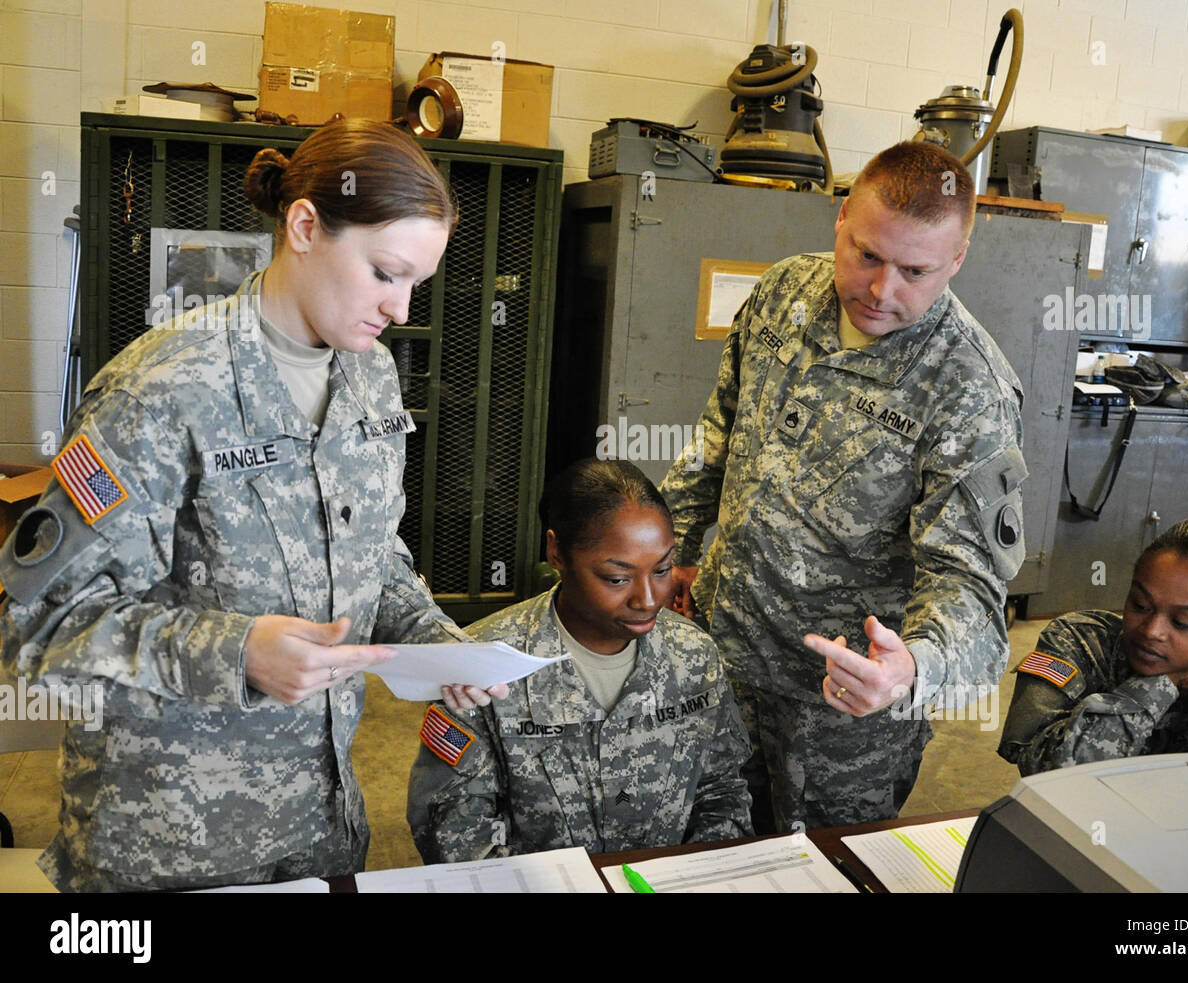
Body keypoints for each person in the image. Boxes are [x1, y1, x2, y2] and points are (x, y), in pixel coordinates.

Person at [0, 119, 502, 892]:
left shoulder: (368, 377)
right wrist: (236, 653)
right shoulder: (161, 391)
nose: (401, 310)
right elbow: (39, 627)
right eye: (384, 273)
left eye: (414, 285)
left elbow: (373, 550)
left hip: (323, 829)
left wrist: (437, 642)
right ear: (304, 225)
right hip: (170, 847)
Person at [659, 141, 1027, 832]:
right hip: (720, 661)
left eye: (916, 270)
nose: (883, 290)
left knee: (819, 872)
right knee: (696, 852)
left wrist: (911, 668)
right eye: (867, 255)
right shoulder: (782, 293)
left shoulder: (968, 389)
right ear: (840, 221)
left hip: (838, 719)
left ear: (957, 259)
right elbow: (721, 429)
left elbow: (973, 584)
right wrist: (671, 547)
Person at [407, 458, 753, 861]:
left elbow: (724, 791)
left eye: (661, 570)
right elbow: (452, 831)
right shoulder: (483, 665)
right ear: (557, 551)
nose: (647, 599)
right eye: (617, 578)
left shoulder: (694, 655)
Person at [999, 519, 1188, 778]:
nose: (1151, 631)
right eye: (1140, 605)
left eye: (1182, 622)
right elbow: (1040, 767)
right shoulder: (1081, 643)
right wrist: (1164, 684)